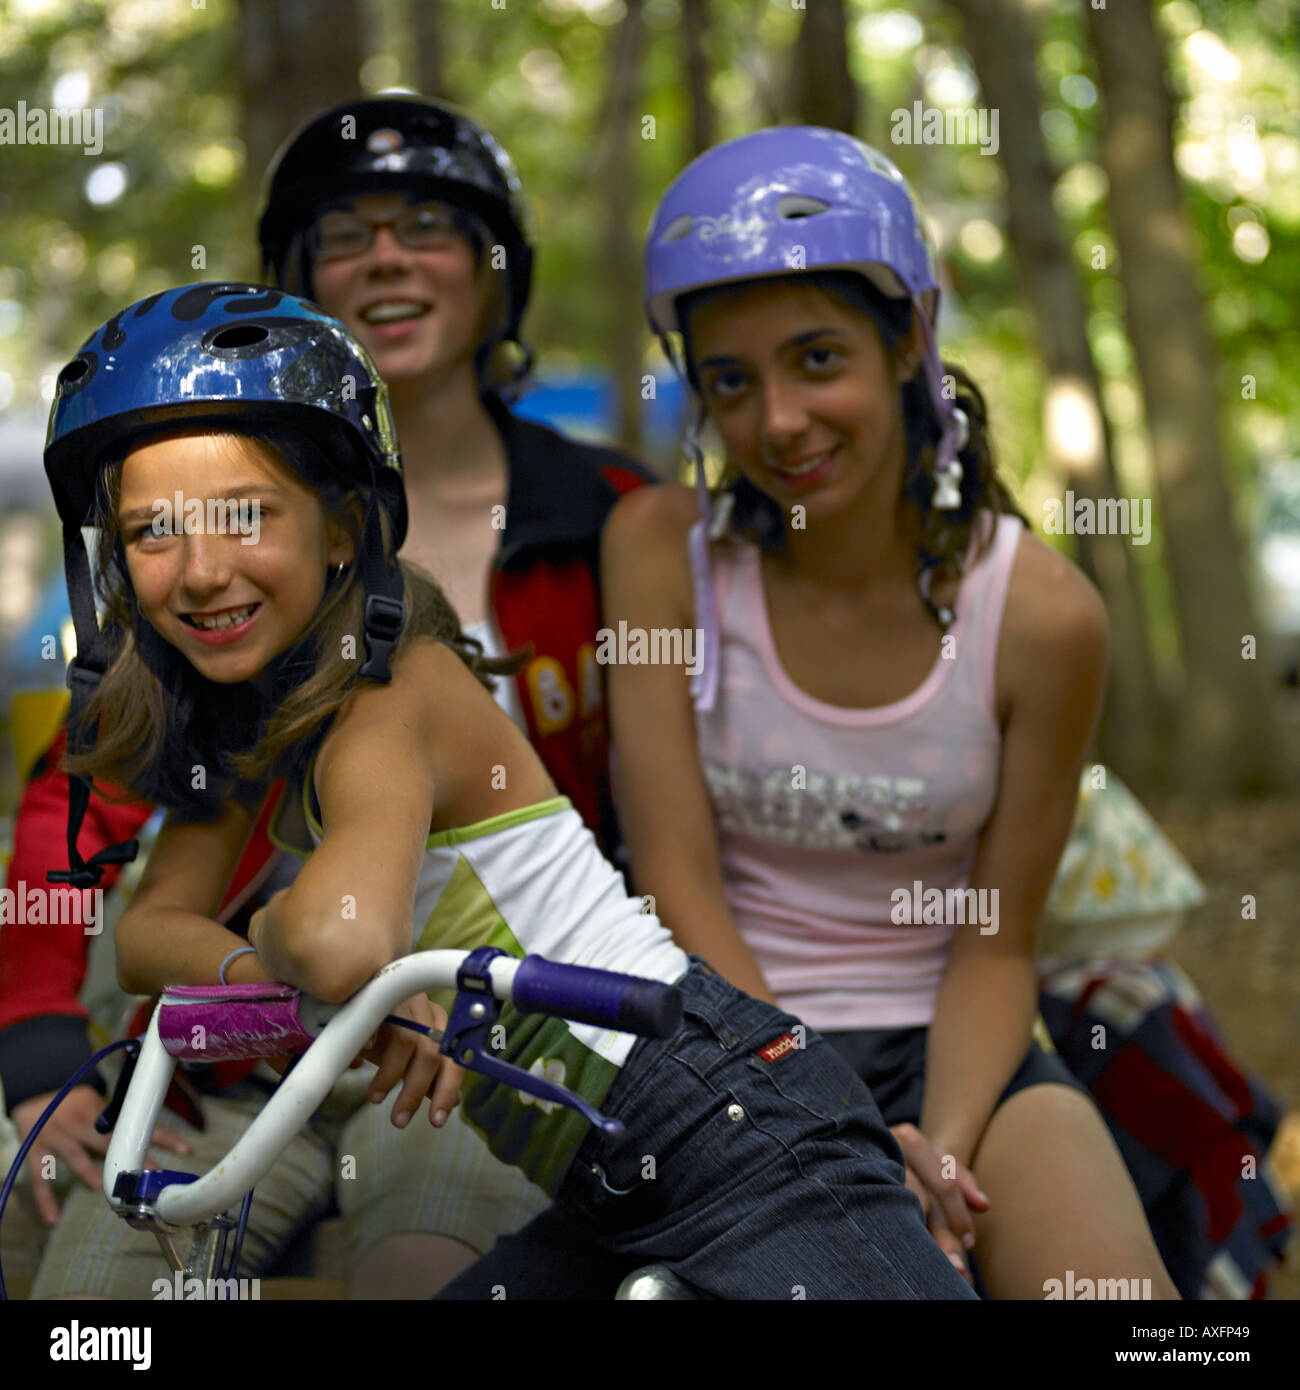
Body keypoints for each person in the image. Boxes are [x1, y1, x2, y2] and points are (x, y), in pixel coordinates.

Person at [34, 282, 976, 1302]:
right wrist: (294, 981)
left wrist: (300, 954)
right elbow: (145, 939)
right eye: (152, 531)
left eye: (246, 515)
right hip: (605, 1172)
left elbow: (344, 938)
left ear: (344, 528)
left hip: (720, 1117)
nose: (201, 569)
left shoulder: (391, 696)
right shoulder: (260, 726)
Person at [3, 95, 650, 1299]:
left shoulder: (617, 513)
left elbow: (680, 812)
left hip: (473, 1027)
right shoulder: (192, 568)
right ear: (291, 287)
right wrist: (42, 1038)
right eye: (345, 235)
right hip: (241, 1034)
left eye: (429, 227)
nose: (388, 257)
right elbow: (73, 820)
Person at [600, 127, 1180, 1299]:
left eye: (818, 359)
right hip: (721, 1041)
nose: (778, 421)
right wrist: (829, 1124)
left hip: (958, 1054)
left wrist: (944, 1144)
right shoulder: (661, 552)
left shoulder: (1041, 615)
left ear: (910, 337)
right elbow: (675, 875)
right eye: (730, 380)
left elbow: (995, 935)